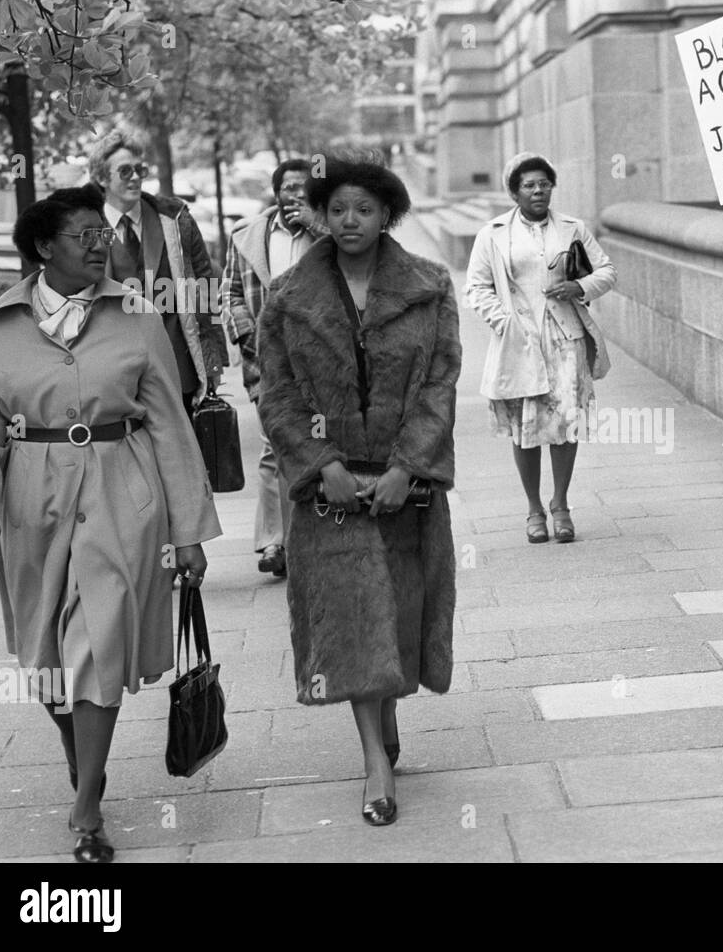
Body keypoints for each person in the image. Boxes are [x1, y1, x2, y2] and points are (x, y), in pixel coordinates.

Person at [0, 187, 220, 862]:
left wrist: (188, 530)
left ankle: (87, 813)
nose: (99, 243)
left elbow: (170, 421)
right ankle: (81, 748)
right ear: (44, 246)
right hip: (30, 503)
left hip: (121, 493)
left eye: (101, 233)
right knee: (46, 663)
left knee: (97, 644)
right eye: (82, 235)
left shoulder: (137, 315)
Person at [258, 155, 460, 827]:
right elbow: (277, 395)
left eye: (365, 210)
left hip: (405, 486)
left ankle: (390, 711)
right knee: (352, 621)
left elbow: (439, 385)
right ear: (321, 213)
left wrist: (409, 466)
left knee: (398, 617)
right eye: (338, 209)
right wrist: (319, 465)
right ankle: (374, 760)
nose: (350, 221)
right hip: (331, 493)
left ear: (388, 216)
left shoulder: (429, 286)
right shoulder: (288, 296)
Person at [465, 153, 616, 544]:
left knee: (567, 421)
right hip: (519, 340)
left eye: (544, 184)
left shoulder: (572, 229)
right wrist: (503, 320)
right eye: (529, 185)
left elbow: (606, 271)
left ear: (552, 187)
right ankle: (533, 509)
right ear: (514, 191)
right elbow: (475, 288)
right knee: (526, 427)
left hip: (565, 337)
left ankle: (561, 505)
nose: (537, 191)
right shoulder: (494, 233)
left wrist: (578, 287)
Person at [221, 158, 322, 579]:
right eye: (288, 187)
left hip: (318, 362)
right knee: (272, 448)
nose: (295, 194)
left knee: (317, 444)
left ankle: (313, 537)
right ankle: (275, 542)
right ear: (276, 192)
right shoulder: (247, 238)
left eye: (303, 188)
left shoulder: (328, 233)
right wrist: (248, 336)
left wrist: (318, 226)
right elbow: (229, 293)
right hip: (266, 361)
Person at [87, 128, 227, 417]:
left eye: (140, 169)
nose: (136, 177)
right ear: (102, 178)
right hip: (114, 370)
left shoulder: (175, 219)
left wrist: (213, 361)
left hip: (179, 368)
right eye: (125, 171)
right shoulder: (88, 228)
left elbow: (206, 287)